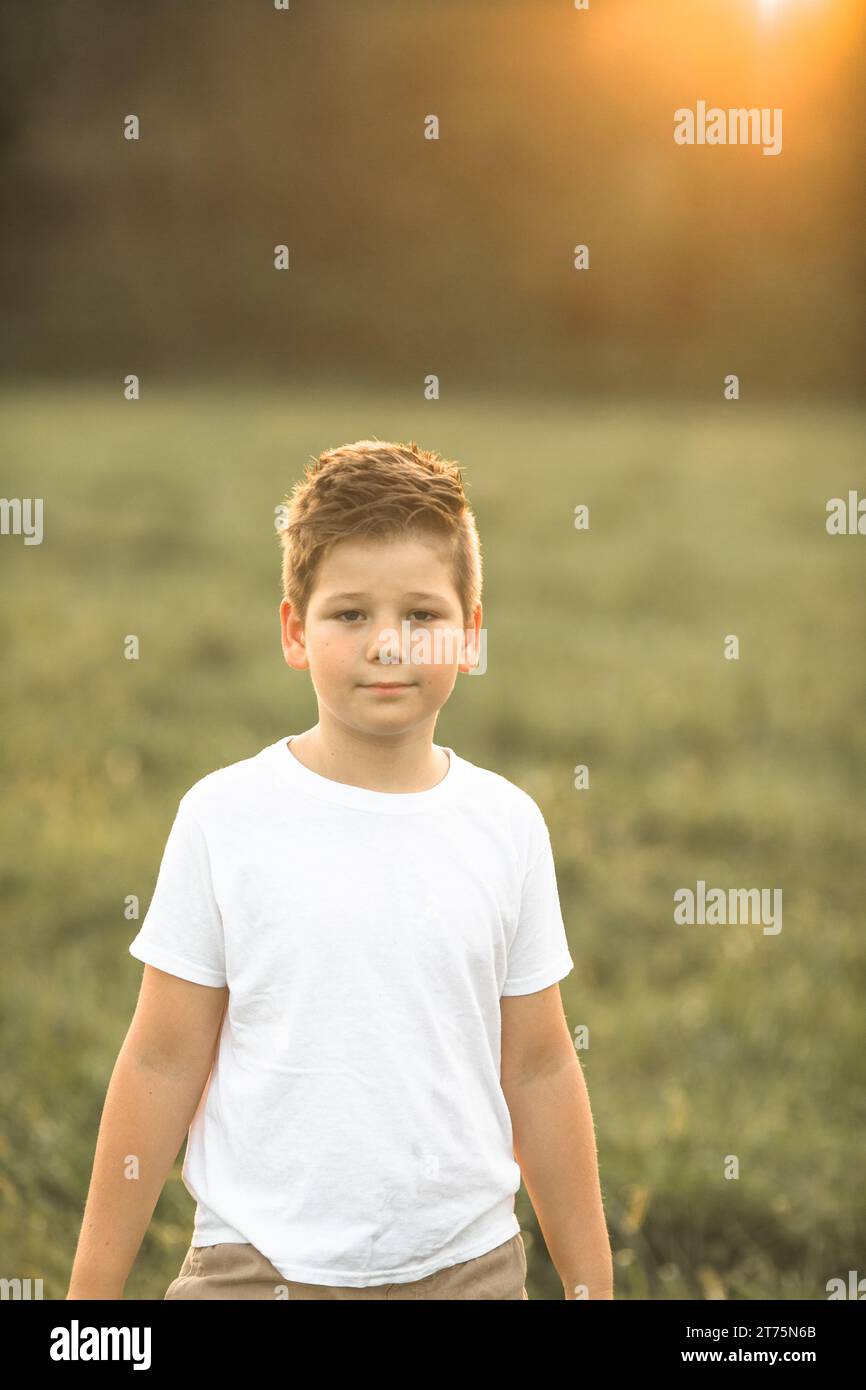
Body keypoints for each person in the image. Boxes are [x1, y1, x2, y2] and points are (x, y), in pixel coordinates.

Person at [67, 438, 613, 1301]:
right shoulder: (224, 817)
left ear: (472, 636)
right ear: (295, 631)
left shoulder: (506, 825)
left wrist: (592, 1289)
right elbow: (162, 1062)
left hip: (466, 1270)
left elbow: (540, 1067)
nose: (388, 646)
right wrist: (87, 1307)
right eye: (351, 614)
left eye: (423, 616)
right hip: (254, 1267)